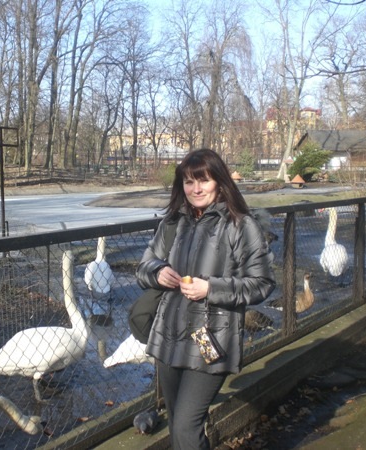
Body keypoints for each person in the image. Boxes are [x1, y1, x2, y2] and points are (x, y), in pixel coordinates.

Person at [136, 148, 276, 449]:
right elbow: (143, 267)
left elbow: (262, 284)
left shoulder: (240, 225)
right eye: (189, 182)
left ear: (220, 183)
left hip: (211, 340)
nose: (196, 189)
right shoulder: (172, 222)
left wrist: (210, 288)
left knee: (187, 427)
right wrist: (157, 272)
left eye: (204, 180)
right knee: (176, 423)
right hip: (168, 335)